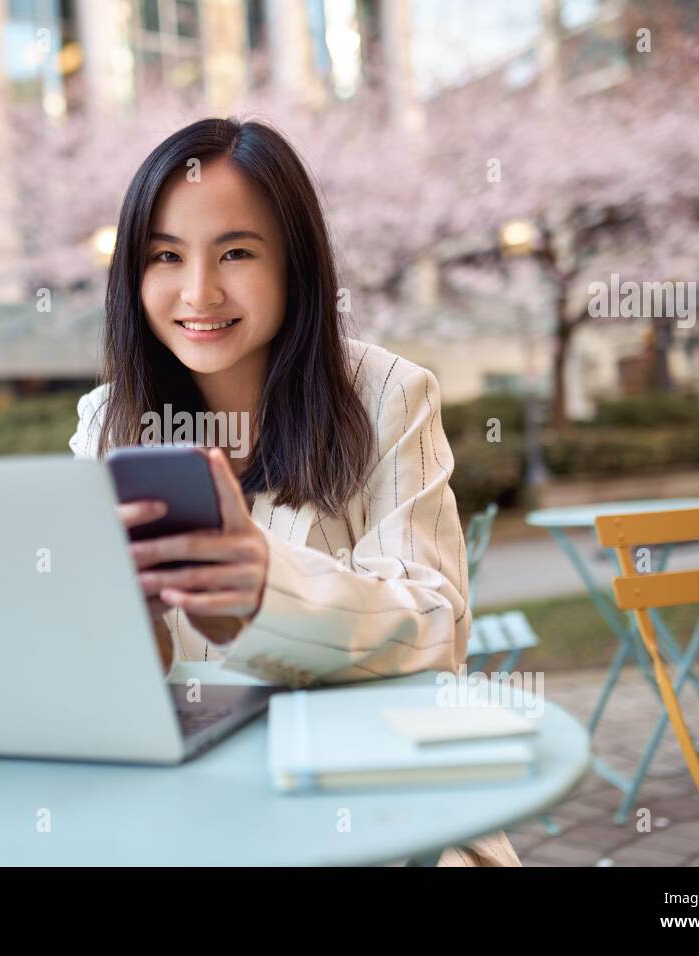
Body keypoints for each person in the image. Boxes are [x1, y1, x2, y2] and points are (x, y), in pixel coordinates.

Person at [69, 117, 521, 868]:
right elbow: (94, 677)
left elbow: (435, 631)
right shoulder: (106, 423)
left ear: (294, 264)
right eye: (165, 256)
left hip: (375, 802)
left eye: (236, 253)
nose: (198, 291)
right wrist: (122, 624)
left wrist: (265, 589)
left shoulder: (387, 396)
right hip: (187, 810)